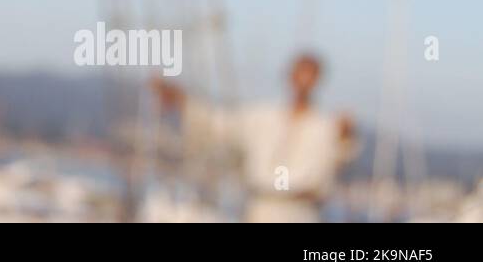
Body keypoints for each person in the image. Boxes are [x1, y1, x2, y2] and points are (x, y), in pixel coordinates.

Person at [152, 52, 358, 222]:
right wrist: (183, 100)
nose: (304, 80)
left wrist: (347, 135)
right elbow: (220, 123)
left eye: (310, 74)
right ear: (290, 75)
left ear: (317, 80)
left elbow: (343, 155)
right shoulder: (262, 117)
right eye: (300, 72)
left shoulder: (326, 126)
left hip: (301, 212)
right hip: (261, 209)